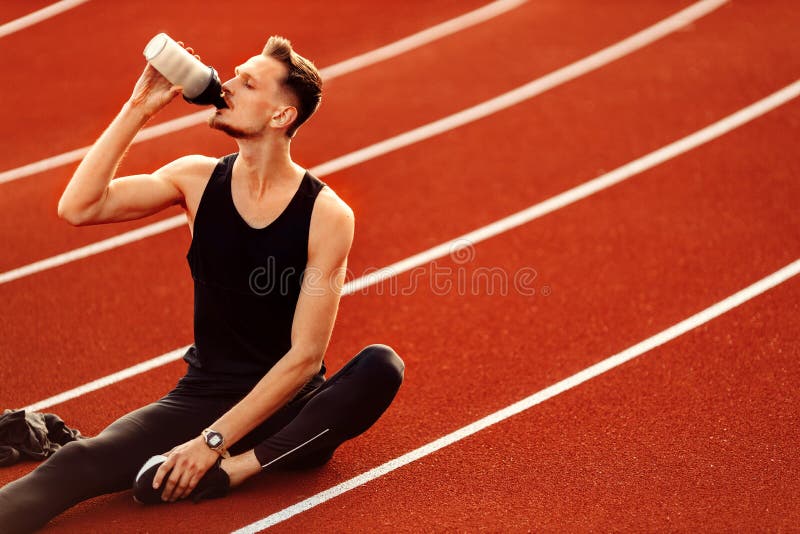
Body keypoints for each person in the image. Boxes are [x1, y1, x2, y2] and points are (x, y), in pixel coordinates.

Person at [0, 36, 404, 532]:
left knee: (381, 366)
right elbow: (79, 207)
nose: (226, 85)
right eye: (233, 76)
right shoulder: (195, 178)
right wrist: (138, 107)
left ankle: (236, 470)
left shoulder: (327, 214)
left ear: (281, 116)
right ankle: (214, 464)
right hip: (201, 395)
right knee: (76, 461)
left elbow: (303, 359)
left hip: (287, 410)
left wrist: (211, 446)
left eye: (247, 83)